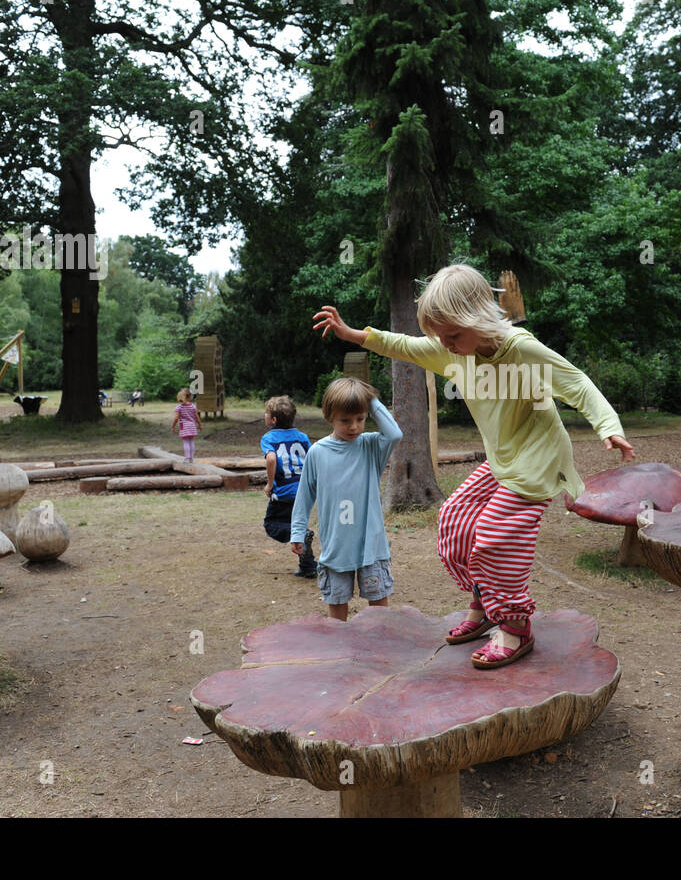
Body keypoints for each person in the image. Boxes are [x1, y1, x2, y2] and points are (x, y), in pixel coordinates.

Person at [313, 264, 635, 669]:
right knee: (455, 519)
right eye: (440, 337)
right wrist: (352, 334)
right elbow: (405, 346)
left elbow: (577, 383)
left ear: (476, 319)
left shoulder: (520, 349)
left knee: (495, 536)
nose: (445, 345)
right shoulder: (452, 350)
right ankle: (485, 604)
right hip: (503, 460)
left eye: (452, 335)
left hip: (537, 459)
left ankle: (516, 627)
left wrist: (609, 427)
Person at [289, 378, 401, 621]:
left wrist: (369, 398)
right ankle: (340, 653)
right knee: (337, 610)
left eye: (360, 418)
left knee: (379, 613)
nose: (354, 427)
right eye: (345, 421)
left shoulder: (370, 446)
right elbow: (305, 494)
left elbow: (394, 433)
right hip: (336, 547)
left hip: (371, 548)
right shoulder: (317, 452)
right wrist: (297, 531)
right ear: (329, 417)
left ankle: (380, 654)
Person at [260, 394, 317, 578]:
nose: (265, 416)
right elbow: (313, 458)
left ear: (274, 420)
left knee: (272, 525)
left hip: (283, 492)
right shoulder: (302, 437)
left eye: (266, 413)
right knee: (297, 522)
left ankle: (300, 535)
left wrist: (270, 484)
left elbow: (271, 458)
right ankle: (308, 566)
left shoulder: (269, 438)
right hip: (303, 491)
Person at [172, 388, 202, 463]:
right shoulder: (193, 406)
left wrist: (173, 426)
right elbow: (197, 417)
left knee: (186, 442)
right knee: (191, 441)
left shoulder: (179, 407)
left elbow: (176, 418)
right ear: (190, 396)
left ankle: (187, 458)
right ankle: (191, 458)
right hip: (192, 426)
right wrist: (200, 425)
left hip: (184, 426)